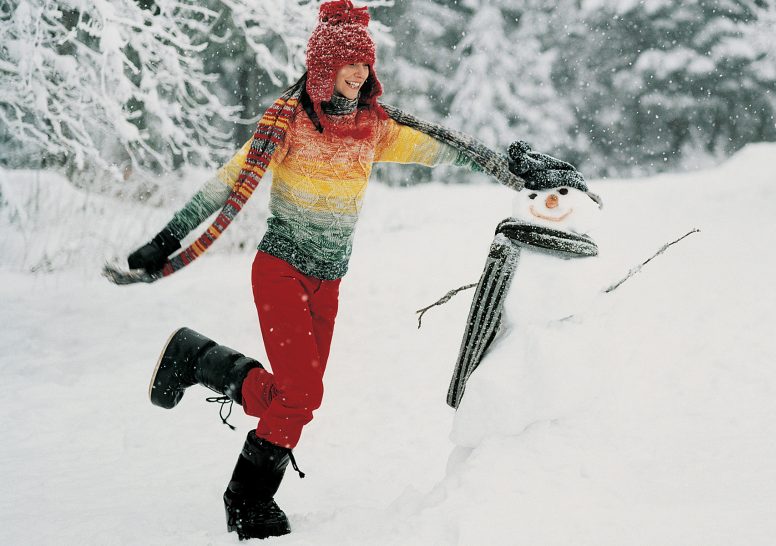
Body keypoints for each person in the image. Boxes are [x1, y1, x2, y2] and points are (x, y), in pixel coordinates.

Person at [113, 0, 518, 540]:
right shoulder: (289, 123)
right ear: (325, 67)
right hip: (280, 270)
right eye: (351, 63)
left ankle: (198, 358)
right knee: (301, 396)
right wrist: (166, 240)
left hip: (328, 281)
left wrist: (512, 167)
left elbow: (443, 151)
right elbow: (226, 182)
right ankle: (248, 499)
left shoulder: (373, 128)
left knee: (298, 397)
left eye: (366, 64)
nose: (361, 74)